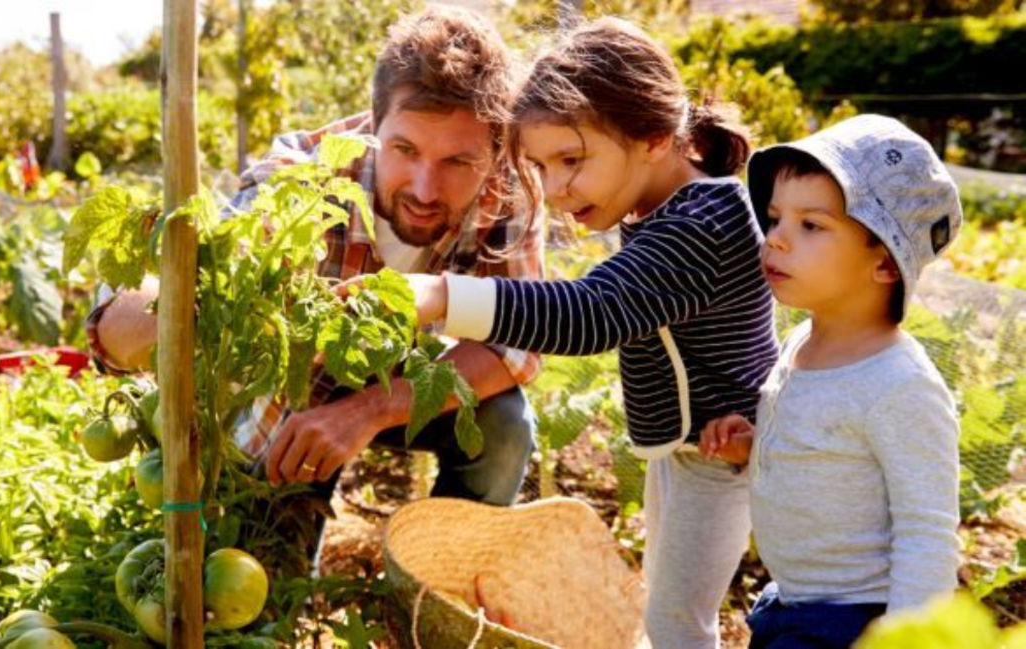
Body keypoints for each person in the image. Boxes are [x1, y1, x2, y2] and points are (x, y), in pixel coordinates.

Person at [390, 17, 779, 649]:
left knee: (679, 619)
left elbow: (590, 312)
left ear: (653, 136)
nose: (557, 190)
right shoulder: (665, 208)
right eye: (541, 167)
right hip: (694, 450)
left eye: (573, 160)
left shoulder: (702, 221)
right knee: (670, 606)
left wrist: (439, 297)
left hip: (721, 453)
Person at [86, 6, 545, 512]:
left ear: (495, 147)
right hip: (300, 392)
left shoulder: (509, 190)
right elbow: (141, 316)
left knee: (504, 425)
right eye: (405, 149)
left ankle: (443, 574)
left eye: (458, 161)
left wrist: (367, 411)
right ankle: (291, 527)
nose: (424, 188)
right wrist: (169, 313)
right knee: (267, 558)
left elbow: (515, 346)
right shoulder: (304, 176)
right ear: (374, 123)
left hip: (409, 381)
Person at [699, 114, 963, 649]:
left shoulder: (899, 386)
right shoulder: (801, 344)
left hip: (854, 621)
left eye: (811, 226)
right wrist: (754, 447)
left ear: (885, 262)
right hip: (792, 604)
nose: (775, 240)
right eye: (774, 218)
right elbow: (824, 450)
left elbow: (927, 532)